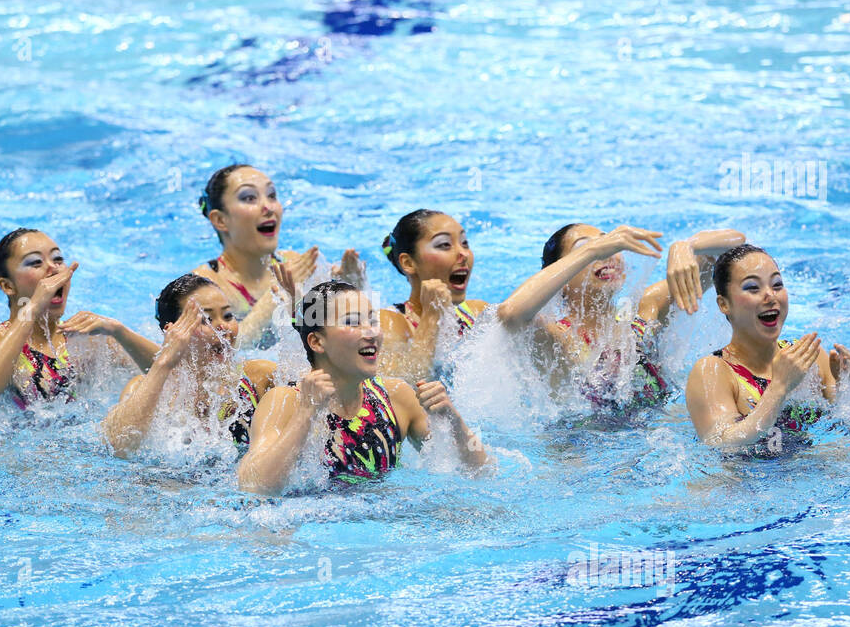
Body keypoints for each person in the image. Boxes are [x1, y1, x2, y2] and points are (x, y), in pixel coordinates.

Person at [238, 280, 489, 494]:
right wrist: (307, 414)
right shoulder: (286, 401)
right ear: (316, 341)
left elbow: (481, 471)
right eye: (353, 322)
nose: (371, 333)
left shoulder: (396, 397)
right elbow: (254, 485)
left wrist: (453, 418)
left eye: (372, 321)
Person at [377, 209, 664, 383]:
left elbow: (518, 315)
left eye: (465, 243)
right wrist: (431, 317)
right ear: (408, 263)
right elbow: (407, 380)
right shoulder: (389, 322)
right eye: (444, 245)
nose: (463, 253)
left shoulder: (477, 312)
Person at [685, 243, 850, 449]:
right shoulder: (713, 371)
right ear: (724, 304)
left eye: (776, 285)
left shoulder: (808, 357)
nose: (770, 295)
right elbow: (722, 443)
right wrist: (780, 387)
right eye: (752, 288)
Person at [530, 223, 748, 414]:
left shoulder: (644, 311)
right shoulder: (553, 336)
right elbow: (507, 315)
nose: (607, 253)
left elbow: (735, 248)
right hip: (581, 452)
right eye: (585, 248)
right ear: (561, 277)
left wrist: (687, 246)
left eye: (608, 243)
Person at [0, 228, 158, 408]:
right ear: (7, 286)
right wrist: (33, 308)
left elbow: (176, 376)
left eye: (58, 259)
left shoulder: (87, 340)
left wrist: (118, 331)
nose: (53, 268)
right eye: (36, 262)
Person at [101, 274, 280, 456]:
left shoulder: (258, 377)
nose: (223, 327)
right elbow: (118, 447)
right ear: (173, 331)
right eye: (205, 320)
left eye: (227, 315)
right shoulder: (142, 388)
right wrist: (164, 362)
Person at [192, 163, 361, 347]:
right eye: (249, 198)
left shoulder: (295, 263)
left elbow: (331, 334)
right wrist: (276, 294)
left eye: (272, 195)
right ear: (219, 220)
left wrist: (352, 285)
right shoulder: (204, 285)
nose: (268, 207)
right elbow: (227, 351)